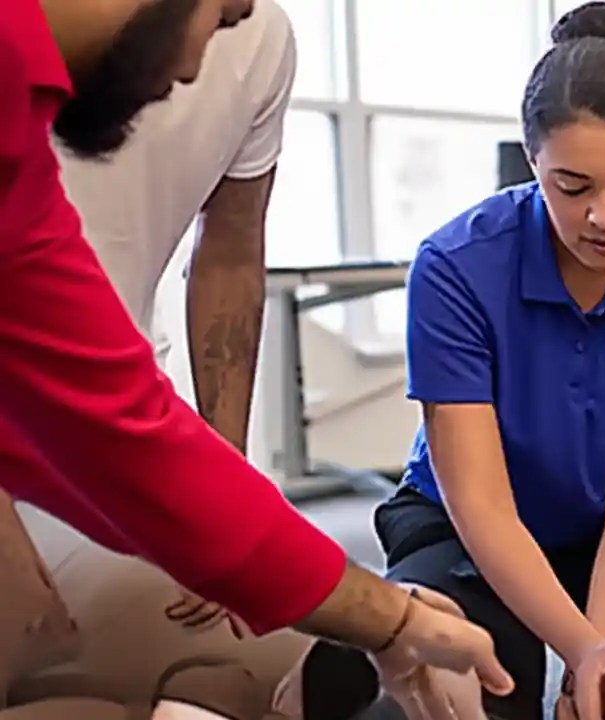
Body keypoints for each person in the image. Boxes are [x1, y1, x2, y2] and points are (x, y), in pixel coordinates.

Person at [0, 0, 512, 713]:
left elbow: (113, 429)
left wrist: (393, 622)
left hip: (68, 472)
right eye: (222, 13)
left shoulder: (15, 143)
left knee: (289, 659)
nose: (191, 69)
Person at [363, 2, 605, 718]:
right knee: (449, 692)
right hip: (465, 525)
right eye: (571, 188)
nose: (604, 216)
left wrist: (598, 662)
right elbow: (480, 502)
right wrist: (581, 647)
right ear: (531, 159)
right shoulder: (454, 267)